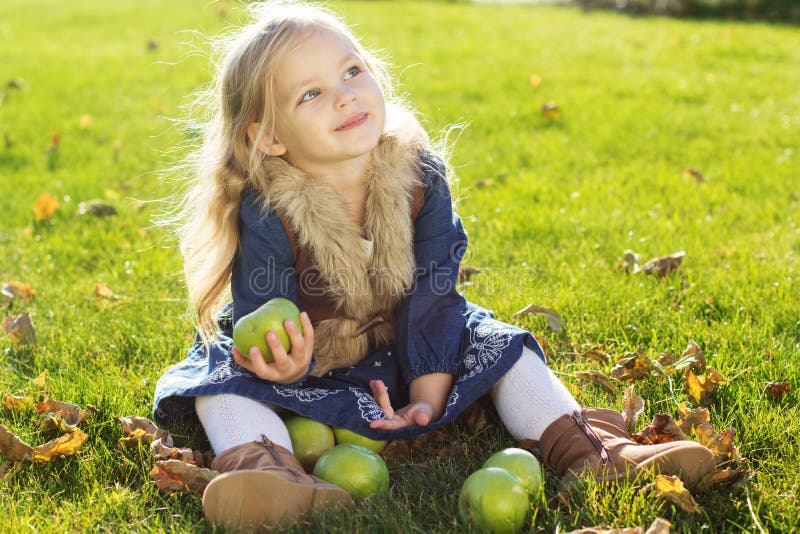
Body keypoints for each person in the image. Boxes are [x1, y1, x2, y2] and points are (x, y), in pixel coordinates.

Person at [152, 1, 715, 530]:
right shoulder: (269, 205)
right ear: (268, 138)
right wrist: (282, 364)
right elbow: (263, 304)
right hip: (319, 362)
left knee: (505, 348)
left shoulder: (419, 175)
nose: (346, 97)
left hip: (420, 340)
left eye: (352, 72)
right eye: (312, 94)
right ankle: (269, 474)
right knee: (222, 382)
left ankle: (592, 452)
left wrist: (427, 392)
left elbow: (436, 289)